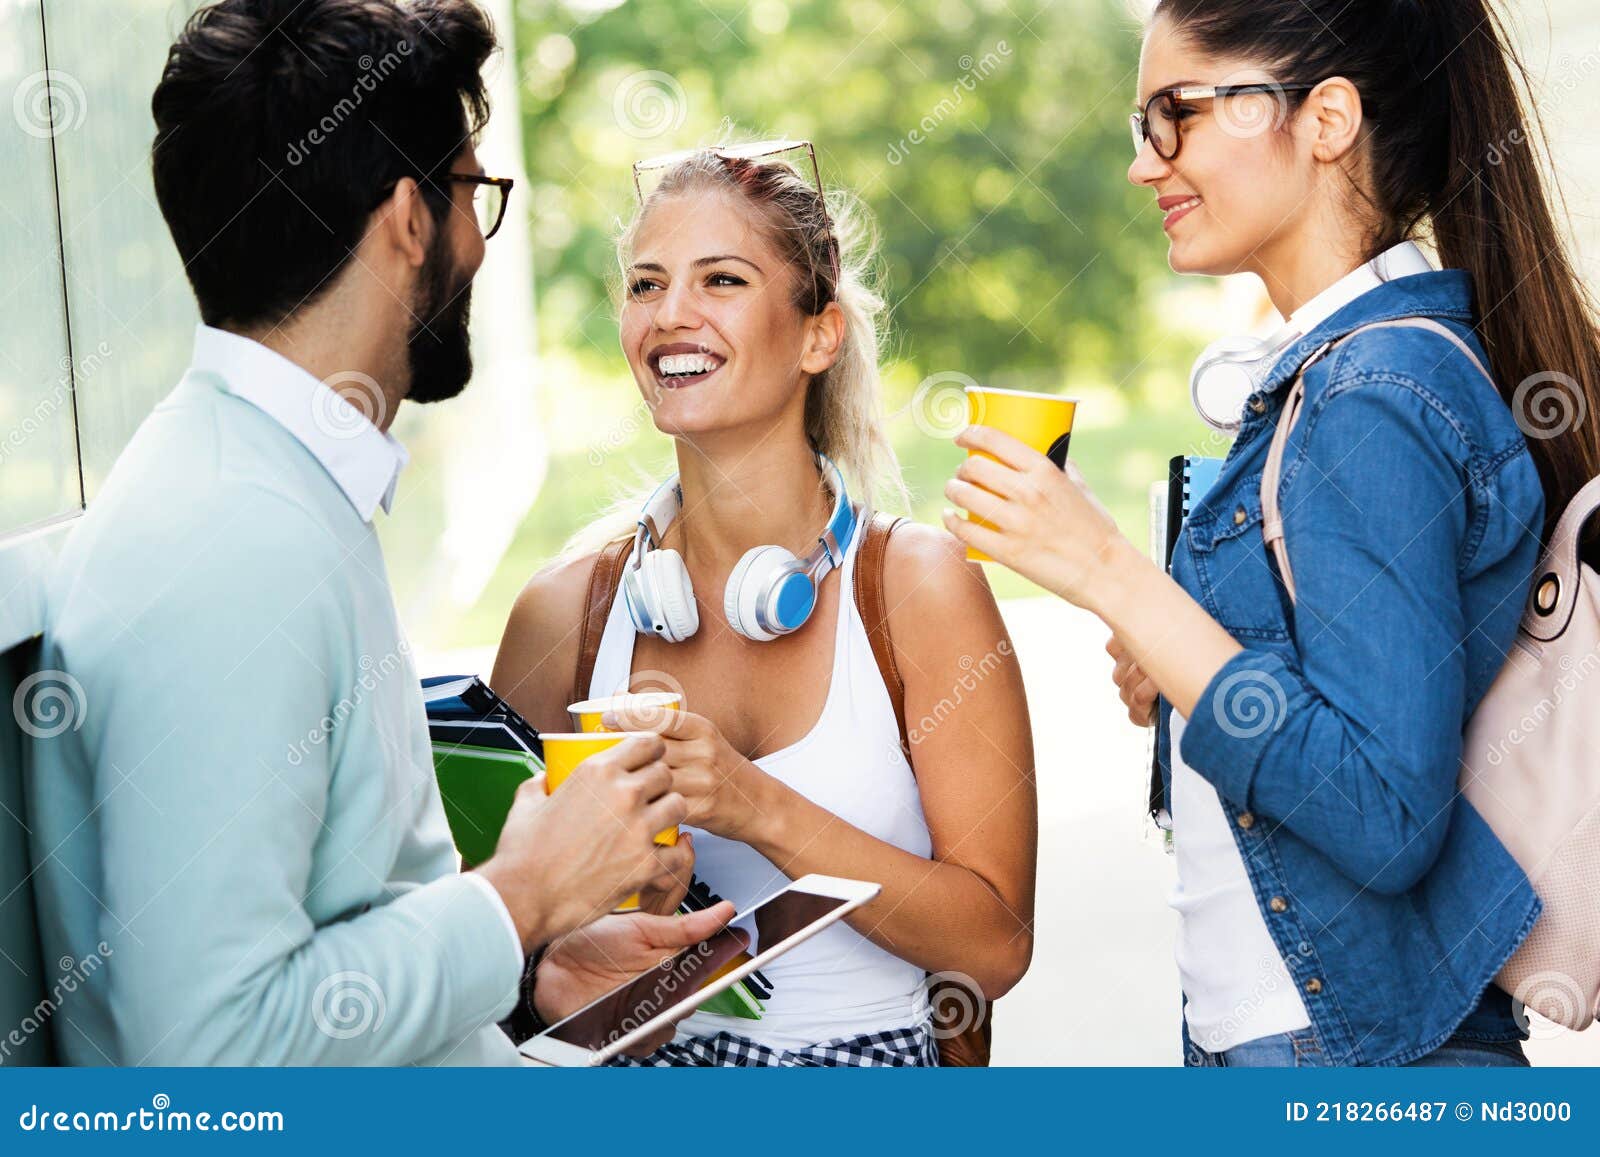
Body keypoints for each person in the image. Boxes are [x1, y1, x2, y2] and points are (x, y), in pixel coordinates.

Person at [27, 0, 729, 1067]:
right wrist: (521, 892)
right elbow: (212, 1051)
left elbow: (338, 934)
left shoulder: (280, 484)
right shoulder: (230, 549)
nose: (477, 249)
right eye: (470, 197)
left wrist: (534, 963)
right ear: (409, 218)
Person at [943, 0, 1600, 1067]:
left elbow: (1385, 813)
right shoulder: (1330, 375)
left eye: (1176, 113)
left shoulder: (1372, 393)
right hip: (1277, 1038)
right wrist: (1193, 660)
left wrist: (1112, 572)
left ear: (1326, 118)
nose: (1144, 163)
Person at [492, 145, 1037, 1066]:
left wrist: (753, 806)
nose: (671, 315)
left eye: (722, 279)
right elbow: (489, 952)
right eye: (646, 284)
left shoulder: (917, 586)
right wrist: (579, 938)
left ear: (818, 335)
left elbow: (994, 946)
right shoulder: (563, 615)